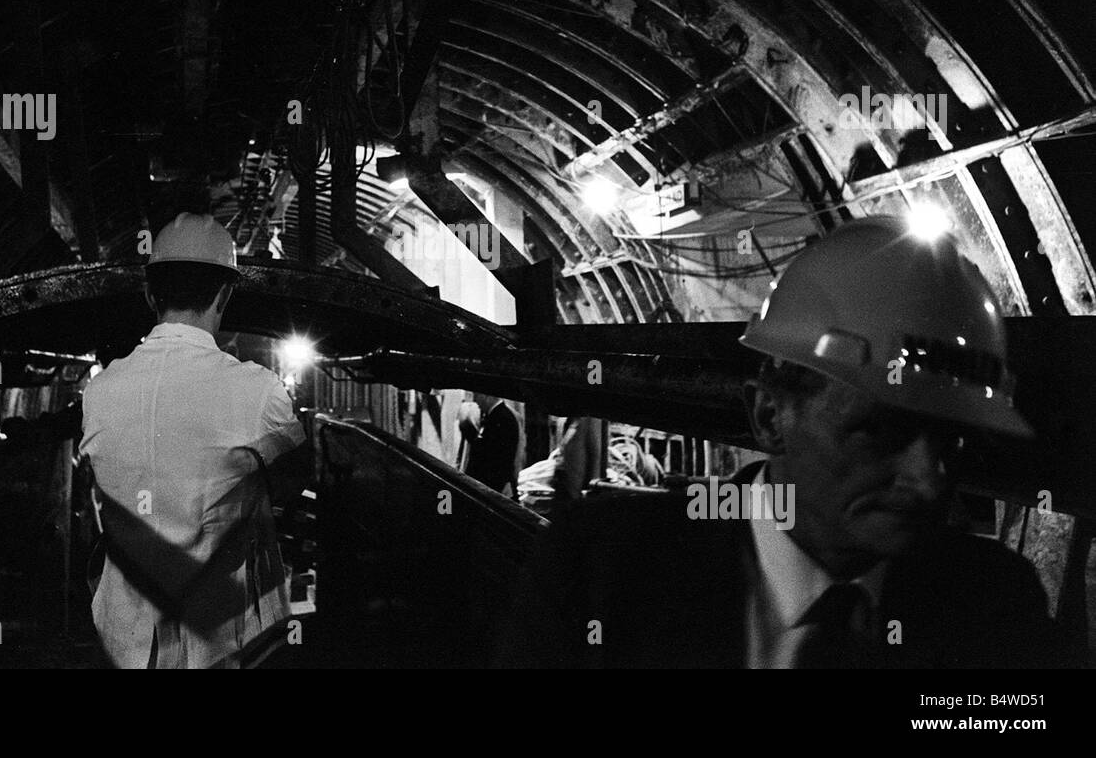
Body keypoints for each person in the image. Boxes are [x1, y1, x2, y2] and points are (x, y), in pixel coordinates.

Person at [497, 216, 1073, 668]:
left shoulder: (994, 606)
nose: (928, 479)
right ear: (770, 415)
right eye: (880, 431)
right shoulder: (599, 576)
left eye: (954, 441)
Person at [81, 212, 311, 669]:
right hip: (223, 644)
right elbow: (292, 481)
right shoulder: (259, 392)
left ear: (150, 293)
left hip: (124, 644)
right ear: (226, 294)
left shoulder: (99, 392)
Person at [459, 393, 519, 497]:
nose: (476, 401)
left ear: (486, 396)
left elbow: (500, 460)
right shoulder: (492, 415)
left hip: (492, 486)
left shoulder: (502, 418)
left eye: (477, 396)